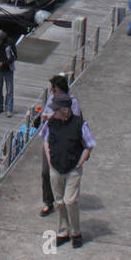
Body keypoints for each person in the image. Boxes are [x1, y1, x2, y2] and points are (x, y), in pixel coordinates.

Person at [43, 94, 95, 248]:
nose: (53, 113)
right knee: (59, 201)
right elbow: (45, 140)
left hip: (72, 169)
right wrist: (49, 158)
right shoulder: (51, 123)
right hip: (56, 167)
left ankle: (76, 232)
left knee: (70, 201)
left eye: (56, 110)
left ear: (65, 110)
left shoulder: (79, 124)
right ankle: (63, 231)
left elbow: (89, 144)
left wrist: (81, 161)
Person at [39, 76, 80, 217]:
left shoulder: (72, 102)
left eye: (54, 90)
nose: (52, 93)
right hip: (51, 138)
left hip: (65, 142)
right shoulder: (51, 100)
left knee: (65, 173)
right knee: (46, 171)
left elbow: (74, 121)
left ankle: (63, 200)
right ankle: (48, 202)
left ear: (61, 89)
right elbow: (45, 113)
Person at [0, 29, 16, 115]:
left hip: (8, 69)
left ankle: (9, 109)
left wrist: (4, 63)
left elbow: (14, 56)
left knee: (9, 91)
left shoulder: (9, 43)